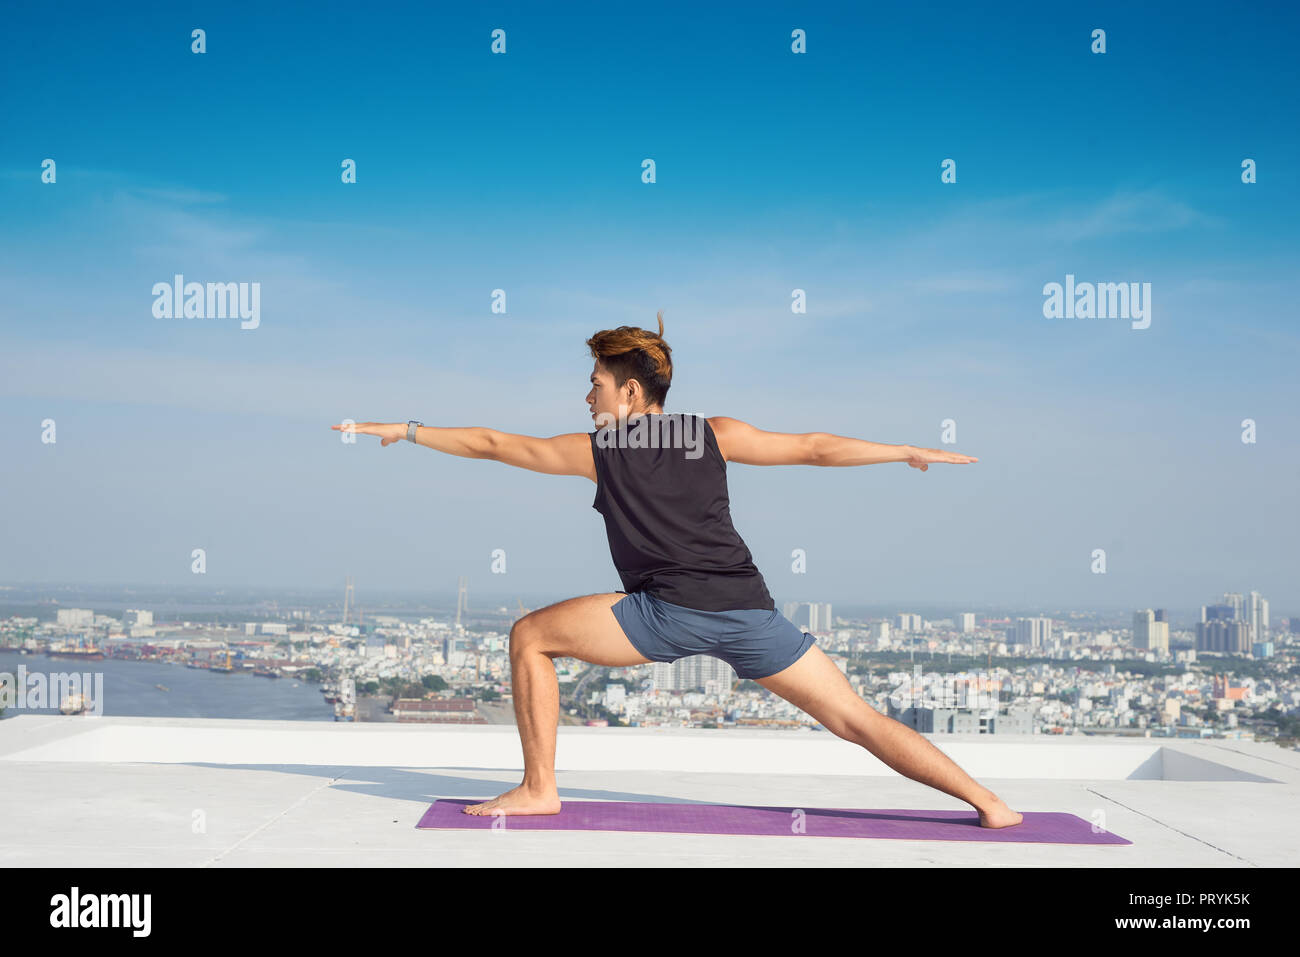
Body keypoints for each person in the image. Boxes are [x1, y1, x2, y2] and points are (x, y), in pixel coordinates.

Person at [332, 311, 1023, 828]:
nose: (587, 398)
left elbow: (491, 444)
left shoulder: (598, 450)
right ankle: (990, 803)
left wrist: (408, 430)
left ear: (630, 393)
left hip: (663, 615)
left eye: (595, 385)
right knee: (855, 718)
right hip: (750, 612)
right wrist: (902, 450)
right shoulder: (713, 432)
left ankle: (540, 787)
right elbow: (813, 447)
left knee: (529, 636)